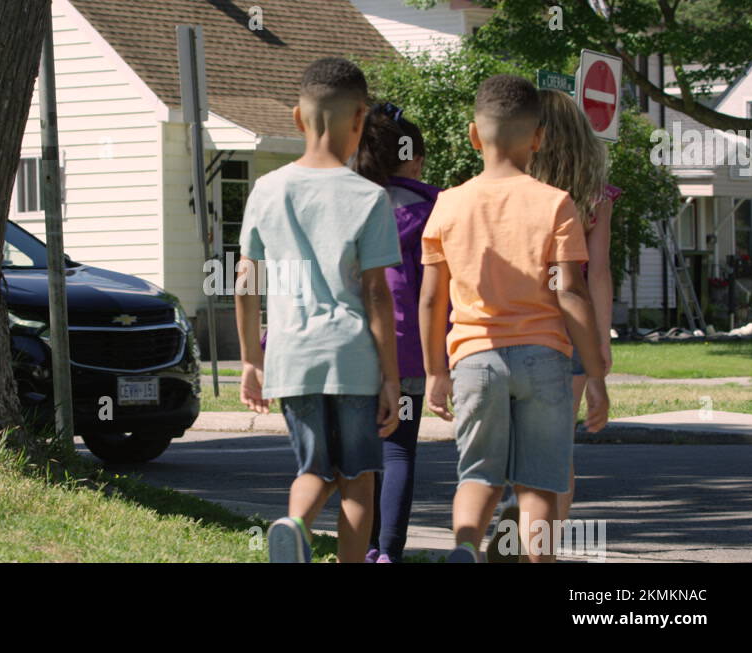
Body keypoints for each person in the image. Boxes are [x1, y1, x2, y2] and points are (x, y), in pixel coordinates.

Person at [419, 74, 610, 563]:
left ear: (473, 135)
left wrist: (435, 372)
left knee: (478, 476)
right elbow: (571, 292)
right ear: (538, 138)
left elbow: (430, 300)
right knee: (539, 485)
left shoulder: (447, 203)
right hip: (544, 358)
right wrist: (594, 374)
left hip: (474, 358)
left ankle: (465, 547)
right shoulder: (556, 203)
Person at [235, 57, 403, 563]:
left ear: (296, 117)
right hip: (352, 357)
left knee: (313, 469)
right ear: (359, 121)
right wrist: (391, 379)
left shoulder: (266, 190)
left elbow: (246, 283)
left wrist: (251, 358)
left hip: (292, 355)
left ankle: (293, 523)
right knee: (357, 482)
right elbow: (376, 293)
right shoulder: (370, 198)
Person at [353, 103, 441, 563]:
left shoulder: (345, 205)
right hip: (407, 350)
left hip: (351, 348)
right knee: (398, 452)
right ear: (411, 158)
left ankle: (359, 545)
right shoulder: (433, 210)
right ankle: (387, 553)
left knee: (358, 459)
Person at [528, 89, 621, 523]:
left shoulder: (514, 190)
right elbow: (598, 275)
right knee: (557, 451)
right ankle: (543, 547)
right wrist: (600, 351)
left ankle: (519, 530)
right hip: (572, 328)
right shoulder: (595, 197)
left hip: (516, 321)